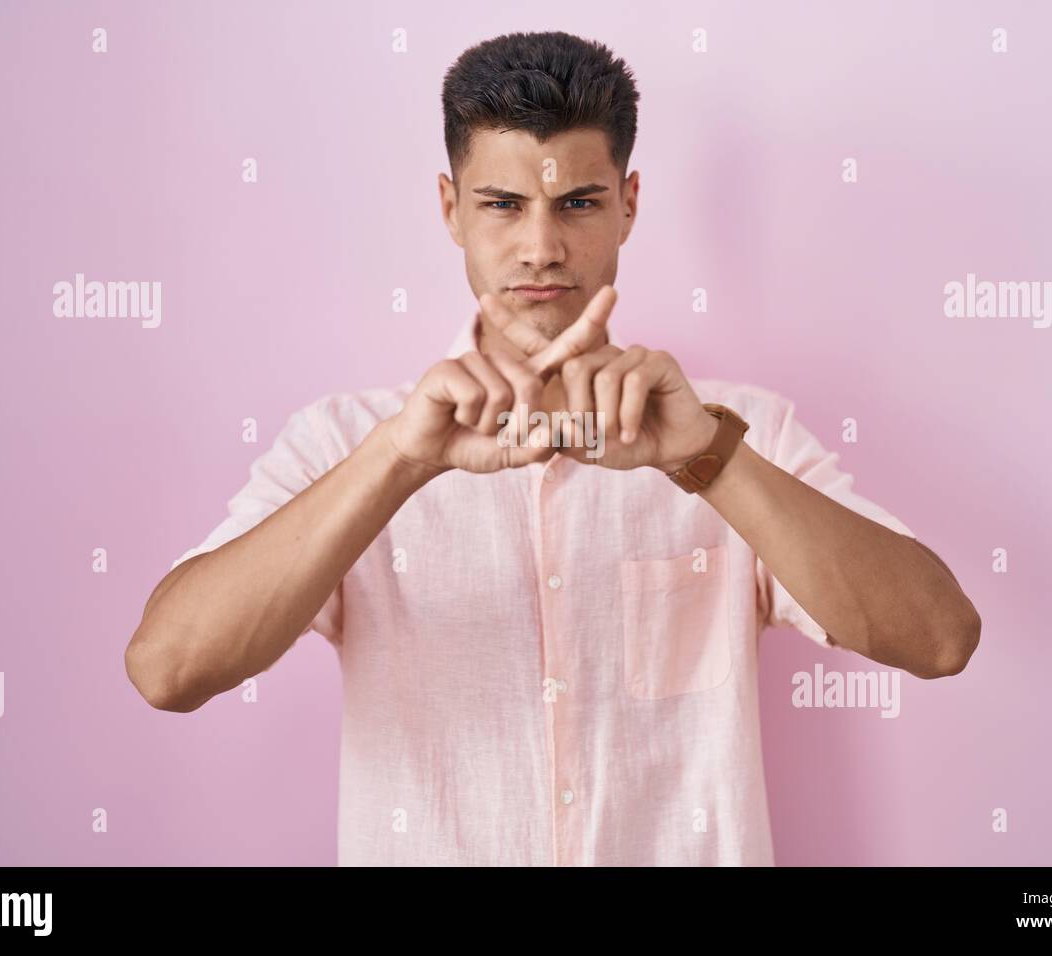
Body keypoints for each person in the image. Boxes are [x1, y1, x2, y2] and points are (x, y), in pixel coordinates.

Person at [125, 30, 980, 866]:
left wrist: (709, 460)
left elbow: (940, 640)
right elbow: (169, 670)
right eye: (503, 204)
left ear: (629, 203)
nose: (541, 247)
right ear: (450, 207)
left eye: (578, 202)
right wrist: (399, 464)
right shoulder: (347, 442)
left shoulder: (738, 429)